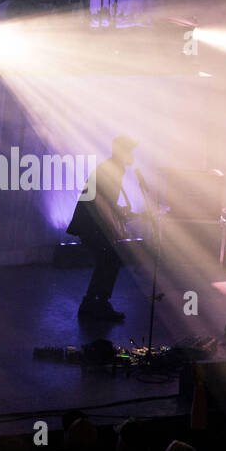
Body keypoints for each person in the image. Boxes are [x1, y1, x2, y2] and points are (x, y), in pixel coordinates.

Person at [67, 135, 137, 320]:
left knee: (108, 260)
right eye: (130, 150)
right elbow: (100, 200)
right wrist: (114, 227)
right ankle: (94, 303)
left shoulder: (114, 168)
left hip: (90, 223)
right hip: (90, 224)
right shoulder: (112, 169)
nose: (133, 155)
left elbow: (104, 200)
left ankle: (94, 303)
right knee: (110, 258)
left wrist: (119, 214)